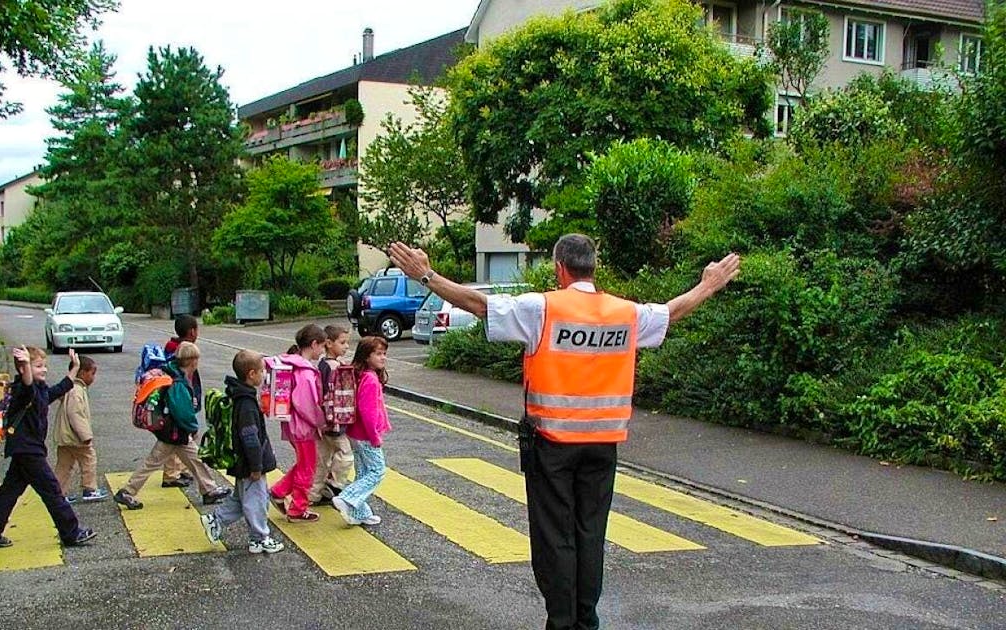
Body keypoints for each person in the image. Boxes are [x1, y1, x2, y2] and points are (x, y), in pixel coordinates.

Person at [387, 235, 740, 630]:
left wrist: (427, 275)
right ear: (594, 266)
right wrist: (709, 285)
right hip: (603, 446)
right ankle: (586, 620)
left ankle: (560, 622)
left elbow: (480, 305)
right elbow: (671, 313)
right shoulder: (625, 313)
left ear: (559, 268)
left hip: (552, 445)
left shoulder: (543, 308)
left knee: (554, 537)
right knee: (590, 535)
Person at [0, 346, 96, 547]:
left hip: (25, 450)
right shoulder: (24, 390)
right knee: (52, 491)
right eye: (39, 366)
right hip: (28, 451)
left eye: (44, 366)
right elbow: (28, 384)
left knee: (8, 493)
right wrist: (26, 364)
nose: (44, 370)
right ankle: (71, 532)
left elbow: (57, 390)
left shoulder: (39, 389)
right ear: (24, 369)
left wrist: (75, 369)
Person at [114, 342, 231, 510]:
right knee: (154, 462)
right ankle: (127, 491)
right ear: (192, 361)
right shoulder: (179, 382)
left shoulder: (172, 373)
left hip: (172, 430)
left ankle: (209, 489)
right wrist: (192, 427)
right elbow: (182, 411)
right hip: (174, 432)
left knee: (194, 459)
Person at [200, 350, 284, 554]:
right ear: (251, 374)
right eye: (262, 371)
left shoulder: (240, 395)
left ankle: (215, 520)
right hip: (249, 463)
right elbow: (250, 438)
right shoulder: (246, 404)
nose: (264, 374)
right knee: (257, 501)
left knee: (240, 499)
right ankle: (259, 539)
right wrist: (256, 466)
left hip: (243, 461)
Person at [331, 336, 392, 527]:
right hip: (366, 435)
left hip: (355, 433)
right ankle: (347, 498)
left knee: (363, 472)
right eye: (378, 354)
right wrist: (375, 436)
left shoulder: (361, 375)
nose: (383, 357)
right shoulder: (371, 379)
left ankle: (359, 513)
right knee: (377, 471)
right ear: (366, 356)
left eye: (384, 353)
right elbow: (368, 412)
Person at [269, 324, 326, 522]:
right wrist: (321, 421)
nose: (322, 351)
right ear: (314, 344)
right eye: (322, 346)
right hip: (303, 427)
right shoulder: (305, 372)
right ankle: (298, 509)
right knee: (308, 467)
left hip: (292, 424)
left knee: (305, 463)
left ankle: (279, 491)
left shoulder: (292, 363)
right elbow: (306, 404)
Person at [308, 324, 354, 505]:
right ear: (328, 343)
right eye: (342, 342)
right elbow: (337, 397)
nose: (346, 346)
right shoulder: (336, 368)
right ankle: (334, 484)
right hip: (334, 421)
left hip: (321, 421)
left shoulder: (322, 364)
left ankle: (313, 495)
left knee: (321, 460)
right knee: (346, 453)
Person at [52, 355, 106, 503]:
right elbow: (76, 414)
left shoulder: (70, 388)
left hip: (65, 436)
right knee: (89, 459)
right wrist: (85, 435)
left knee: (63, 466)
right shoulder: (76, 391)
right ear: (82, 373)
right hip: (75, 437)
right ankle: (90, 488)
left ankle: (58, 493)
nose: (93, 378)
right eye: (92, 373)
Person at [162, 314, 201, 489]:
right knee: (175, 438)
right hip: (180, 400)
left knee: (185, 438)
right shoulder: (183, 350)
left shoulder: (174, 347)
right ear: (192, 331)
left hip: (184, 398)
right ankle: (171, 474)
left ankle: (182, 469)